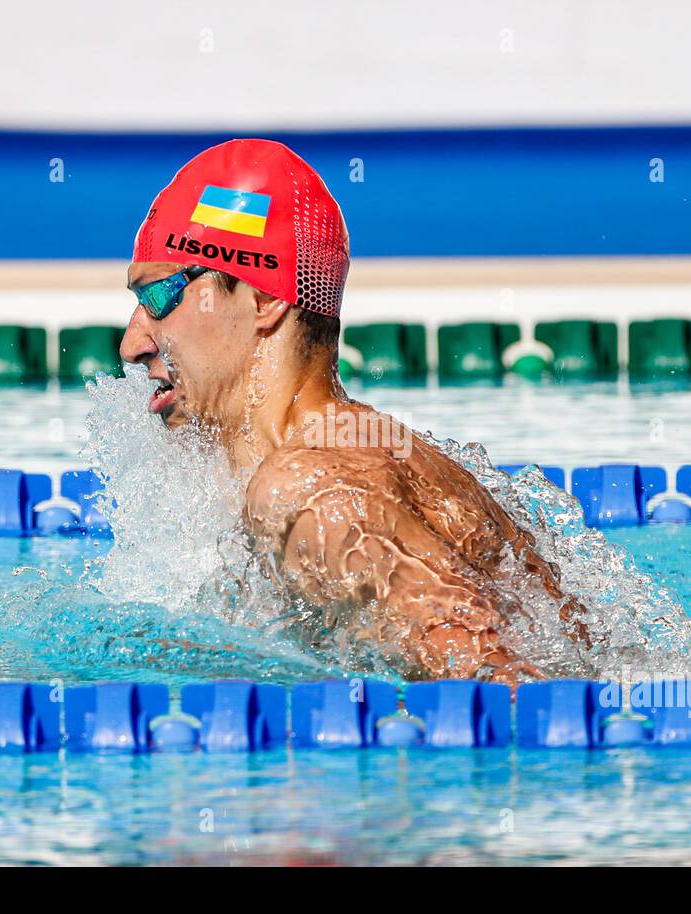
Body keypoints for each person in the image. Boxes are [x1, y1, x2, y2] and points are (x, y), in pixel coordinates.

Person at [120, 139, 584, 682]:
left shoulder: (306, 491)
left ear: (263, 299)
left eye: (158, 297)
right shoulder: (363, 448)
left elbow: (514, 697)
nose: (133, 343)